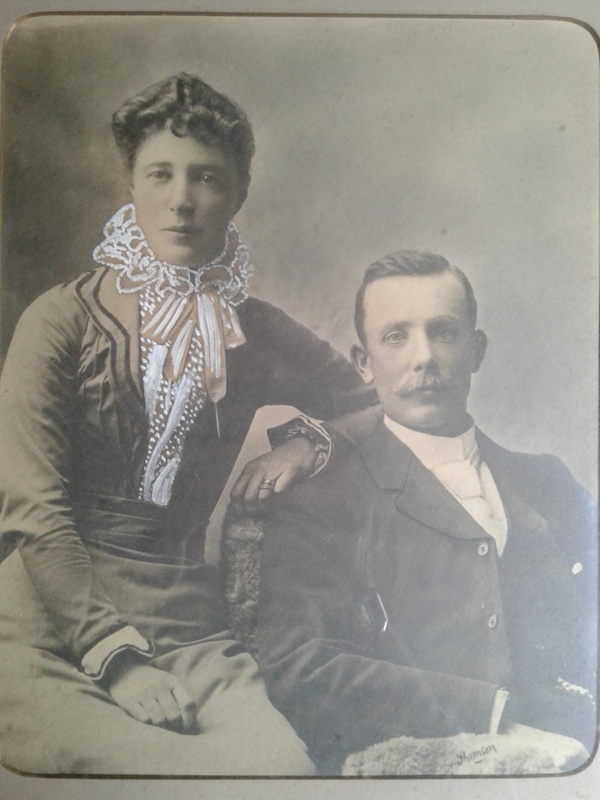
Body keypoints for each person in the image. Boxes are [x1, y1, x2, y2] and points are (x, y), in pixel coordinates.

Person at [0, 72, 375, 775]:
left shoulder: (254, 332)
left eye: (206, 178)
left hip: (187, 628)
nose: (181, 200)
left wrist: (304, 444)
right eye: (160, 174)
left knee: (280, 773)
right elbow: (33, 510)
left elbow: (366, 403)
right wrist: (120, 664)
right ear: (131, 186)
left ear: (236, 196)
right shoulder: (60, 321)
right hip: (41, 625)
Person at [257, 250, 597, 773]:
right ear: (363, 361)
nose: (424, 358)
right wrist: (492, 713)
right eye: (396, 336)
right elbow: (300, 669)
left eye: (444, 332)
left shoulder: (546, 481)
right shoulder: (322, 502)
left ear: (476, 349)